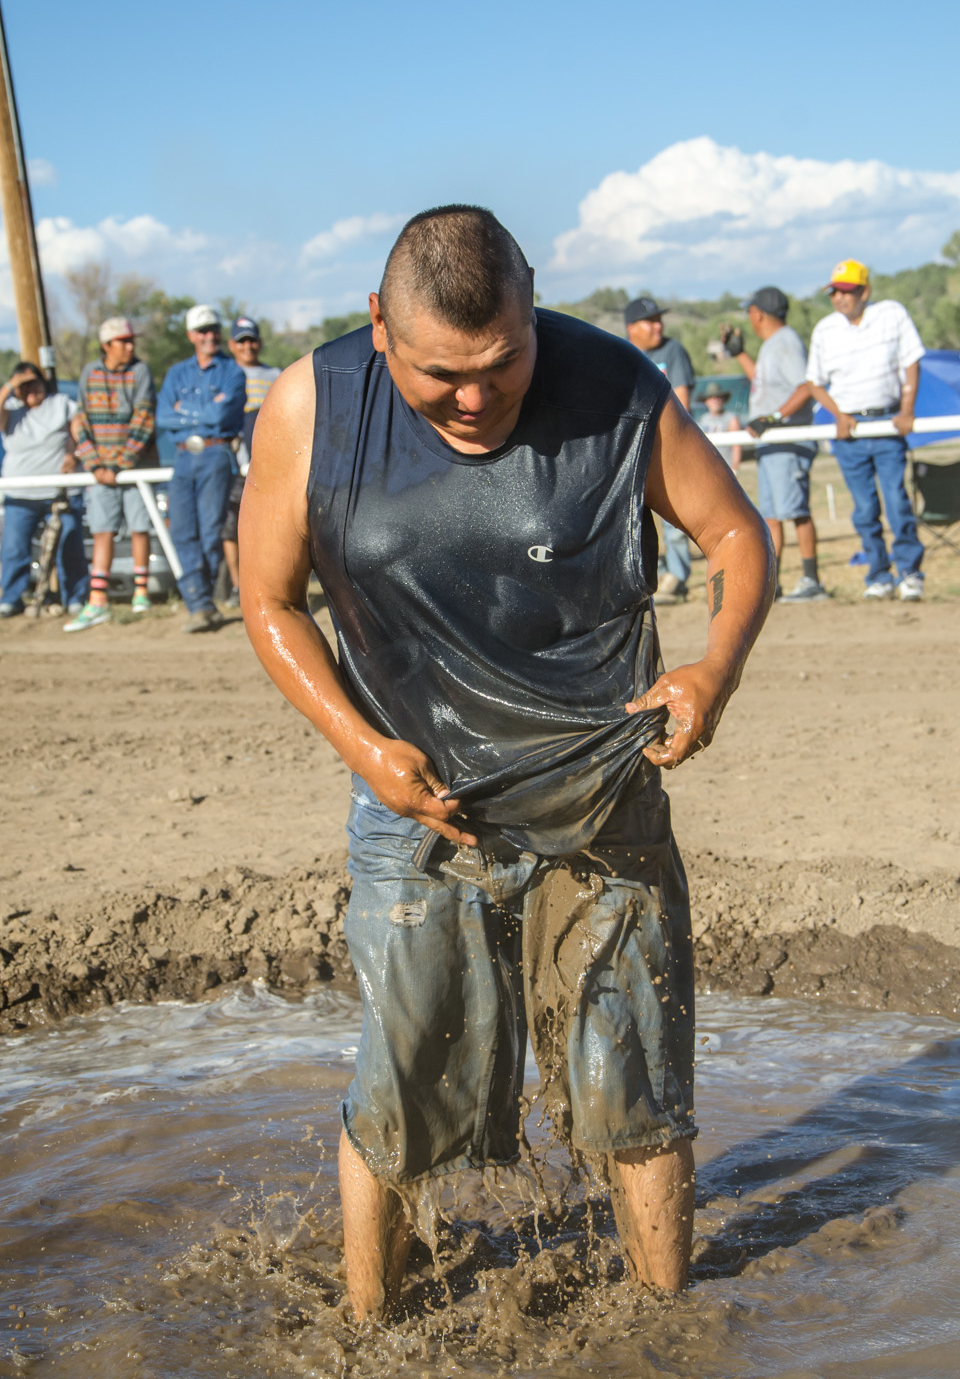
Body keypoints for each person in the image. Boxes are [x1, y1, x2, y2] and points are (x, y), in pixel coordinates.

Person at [240, 205, 775, 1320]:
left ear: (533, 301)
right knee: (400, 1077)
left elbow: (736, 536)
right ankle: (367, 1325)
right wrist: (364, 748)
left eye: (505, 362)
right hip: (417, 802)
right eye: (443, 376)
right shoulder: (316, 403)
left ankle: (667, 1322)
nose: (477, 399)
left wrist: (711, 673)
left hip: (602, 789)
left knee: (636, 1079)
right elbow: (267, 596)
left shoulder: (617, 388)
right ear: (381, 327)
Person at [806, 260, 925, 600]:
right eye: (834, 292)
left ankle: (910, 573)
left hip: (887, 424)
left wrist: (907, 409)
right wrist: (838, 415)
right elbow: (814, 383)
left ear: (864, 291)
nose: (839, 298)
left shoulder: (892, 314)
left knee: (897, 501)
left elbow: (912, 362)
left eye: (846, 291)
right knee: (864, 509)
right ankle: (879, 575)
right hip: (851, 434)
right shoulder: (825, 330)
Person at [721, 287, 829, 602]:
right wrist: (739, 352)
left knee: (795, 510)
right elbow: (764, 383)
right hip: (772, 441)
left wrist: (774, 417)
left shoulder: (786, 343)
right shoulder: (773, 345)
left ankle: (811, 580)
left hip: (786, 440)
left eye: (750, 311)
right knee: (771, 515)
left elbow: (806, 386)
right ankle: (773, 583)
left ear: (759, 313)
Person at [156, 305, 246, 631]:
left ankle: (202, 601)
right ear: (191, 335)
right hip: (183, 457)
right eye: (203, 331)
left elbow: (221, 418)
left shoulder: (232, 371)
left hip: (216, 453)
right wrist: (204, 410)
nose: (209, 336)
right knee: (181, 529)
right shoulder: (176, 373)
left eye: (213, 330)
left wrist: (186, 411)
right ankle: (198, 602)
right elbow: (163, 417)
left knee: (210, 531)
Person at [64, 317, 157, 631]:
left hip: (132, 468)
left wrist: (120, 464)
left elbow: (144, 419)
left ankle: (141, 592)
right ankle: (98, 598)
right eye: (123, 341)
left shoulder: (140, 371)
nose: (130, 346)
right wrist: (95, 464)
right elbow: (81, 420)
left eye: (132, 341)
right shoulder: (90, 373)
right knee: (102, 530)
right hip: (102, 468)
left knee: (139, 526)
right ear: (107, 346)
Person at [0, 364, 88, 618]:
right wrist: (10, 384)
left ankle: (75, 597)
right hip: (21, 493)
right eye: (24, 385)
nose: (31, 389)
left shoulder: (61, 403)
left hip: (60, 492)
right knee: (14, 548)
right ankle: (11, 598)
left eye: (35, 382)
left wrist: (75, 454)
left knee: (69, 544)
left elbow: (79, 433)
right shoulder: (12, 412)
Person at [624, 296, 695, 601]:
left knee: (674, 519)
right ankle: (641, 576)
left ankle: (677, 577)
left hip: (668, 447)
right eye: (650, 321)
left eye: (659, 320)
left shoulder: (672, 350)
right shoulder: (621, 354)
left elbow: (682, 401)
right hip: (632, 448)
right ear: (631, 328)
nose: (658, 326)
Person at [221, 317, 281, 607]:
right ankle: (236, 587)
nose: (248, 346)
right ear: (232, 345)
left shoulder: (276, 375)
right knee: (231, 526)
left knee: (273, 529)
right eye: (241, 340)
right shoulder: (224, 373)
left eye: (251, 340)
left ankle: (273, 589)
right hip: (234, 465)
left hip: (270, 463)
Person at [698, 380, 741, 471]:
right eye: (711, 397)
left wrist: (735, 468)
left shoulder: (731, 419)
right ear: (706, 401)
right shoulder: (703, 419)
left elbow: (736, 446)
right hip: (707, 466)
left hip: (726, 468)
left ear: (723, 399)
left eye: (718, 397)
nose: (715, 400)